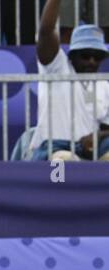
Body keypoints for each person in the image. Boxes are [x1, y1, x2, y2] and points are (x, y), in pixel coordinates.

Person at [33, 1, 109, 161]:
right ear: (72, 55)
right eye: (85, 55)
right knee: (62, 162)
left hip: (90, 152)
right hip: (55, 149)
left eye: (98, 57)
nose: (92, 62)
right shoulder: (56, 67)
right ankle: (57, 184)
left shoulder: (104, 85)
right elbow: (46, 30)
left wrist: (97, 136)